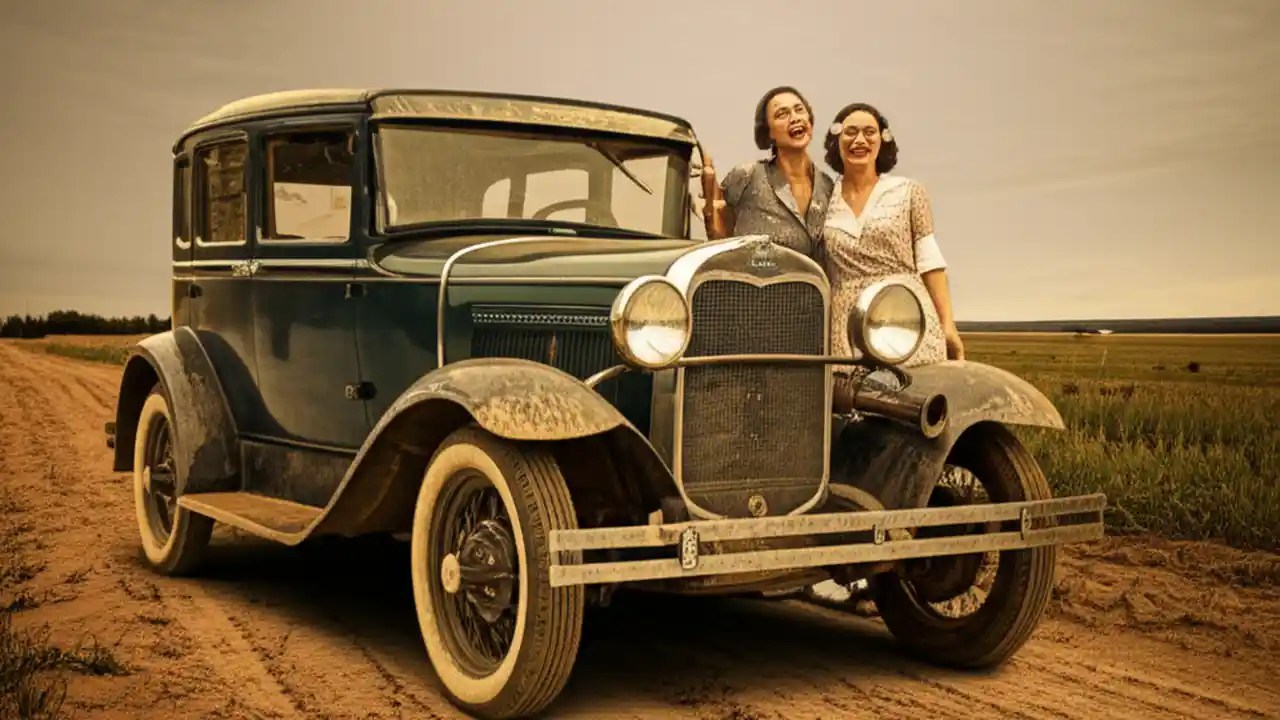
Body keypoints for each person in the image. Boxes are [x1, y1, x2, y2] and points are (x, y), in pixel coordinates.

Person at [820, 102, 964, 368]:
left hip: (905, 315)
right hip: (847, 325)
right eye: (850, 132)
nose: (859, 140)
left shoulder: (908, 191)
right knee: (853, 400)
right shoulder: (824, 197)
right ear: (836, 140)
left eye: (869, 132)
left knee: (916, 395)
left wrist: (948, 325)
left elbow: (930, 262)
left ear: (882, 140)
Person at [700, 86, 834, 258]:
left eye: (799, 110)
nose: (794, 118)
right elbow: (718, 230)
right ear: (768, 132)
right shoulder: (747, 176)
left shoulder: (827, 186)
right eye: (782, 114)